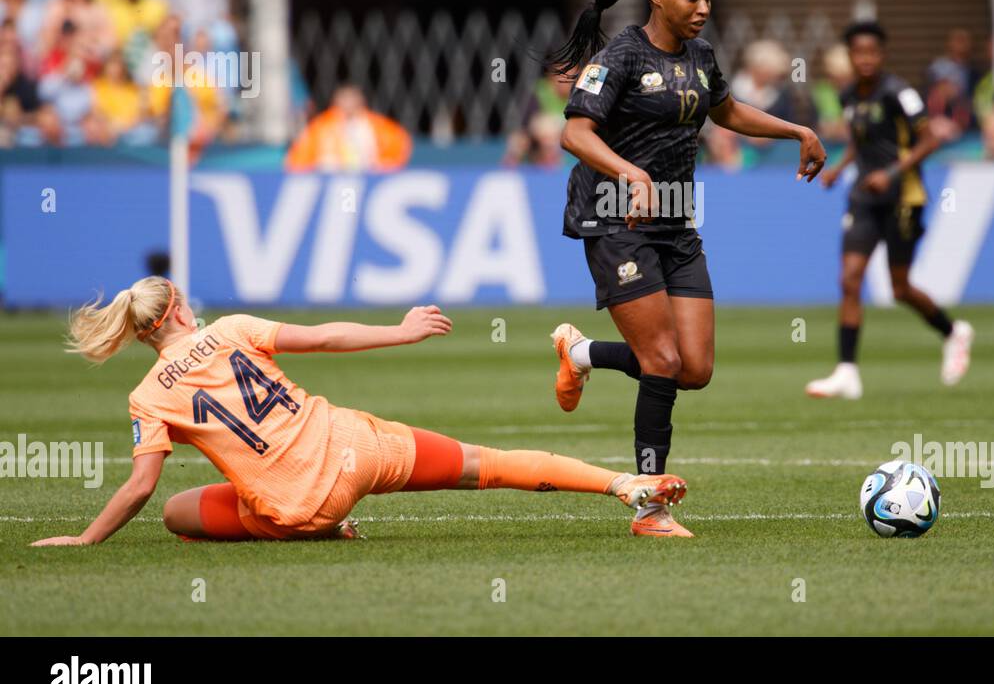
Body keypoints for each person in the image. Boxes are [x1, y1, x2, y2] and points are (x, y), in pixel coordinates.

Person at [31, 277, 687, 546]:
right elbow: (321, 338)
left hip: (298, 505)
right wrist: (401, 332)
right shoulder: (229, 328)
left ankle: (322, 528)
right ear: (175, 310)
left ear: (143, 332)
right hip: (356, 447)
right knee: (489, 464)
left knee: (181, 514)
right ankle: (624, 486)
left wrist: (86, 539)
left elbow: (143, 487)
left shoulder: (146, 396)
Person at [541, 0, 826, 538]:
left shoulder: (699, 56)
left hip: (677, 224)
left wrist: (796, 129)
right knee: (661, 359)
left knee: (692, 368)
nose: (702, 9)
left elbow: (725, 110)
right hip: (616, 219)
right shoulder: (620, 56)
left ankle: (582, 353)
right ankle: (650, 506)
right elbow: (575, 135)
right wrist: (628, 170)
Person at [806, 21, 972, 398]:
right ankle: (847, 372)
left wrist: (891, 173)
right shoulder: (849, 96)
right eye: (858, 52)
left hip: (902, 198)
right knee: (849, 279)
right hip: (864, 198)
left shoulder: (900, 93)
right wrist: (839, 167)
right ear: (850, 56)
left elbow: (931, 140)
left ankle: (953, 331)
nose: (865, 59)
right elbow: (860, 141)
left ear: (882, 55)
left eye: (872, 52)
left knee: (900, 288)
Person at [285, 83, 412, 172]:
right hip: (330, 180)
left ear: (361, 100)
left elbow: (398, 150)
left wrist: (380, 167)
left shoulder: (378, 126)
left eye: (352, 98)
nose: (348, 103)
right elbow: (299, 159)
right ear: (335, 101)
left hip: (368, 177)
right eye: (344, 98)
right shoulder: (321, 127)